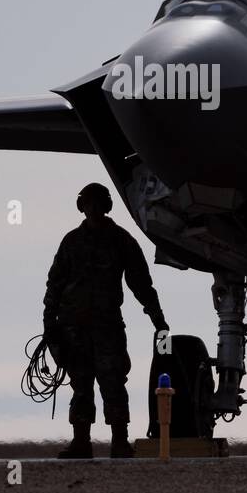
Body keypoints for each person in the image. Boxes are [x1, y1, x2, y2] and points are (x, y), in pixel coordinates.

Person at [43, 182, 169, 458]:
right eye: (89, 203)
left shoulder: (121, 240)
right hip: (73, 328)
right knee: (80, 385)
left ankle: (119, 441)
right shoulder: (71, 242)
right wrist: (49, 326)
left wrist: (157, 318)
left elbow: (141, 283)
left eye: (98, 203)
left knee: (113, 382)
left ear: (107, 206)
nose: (93, 209)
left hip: (107, 327)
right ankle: (81, 442)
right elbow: (54, 285)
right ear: (82, 207)